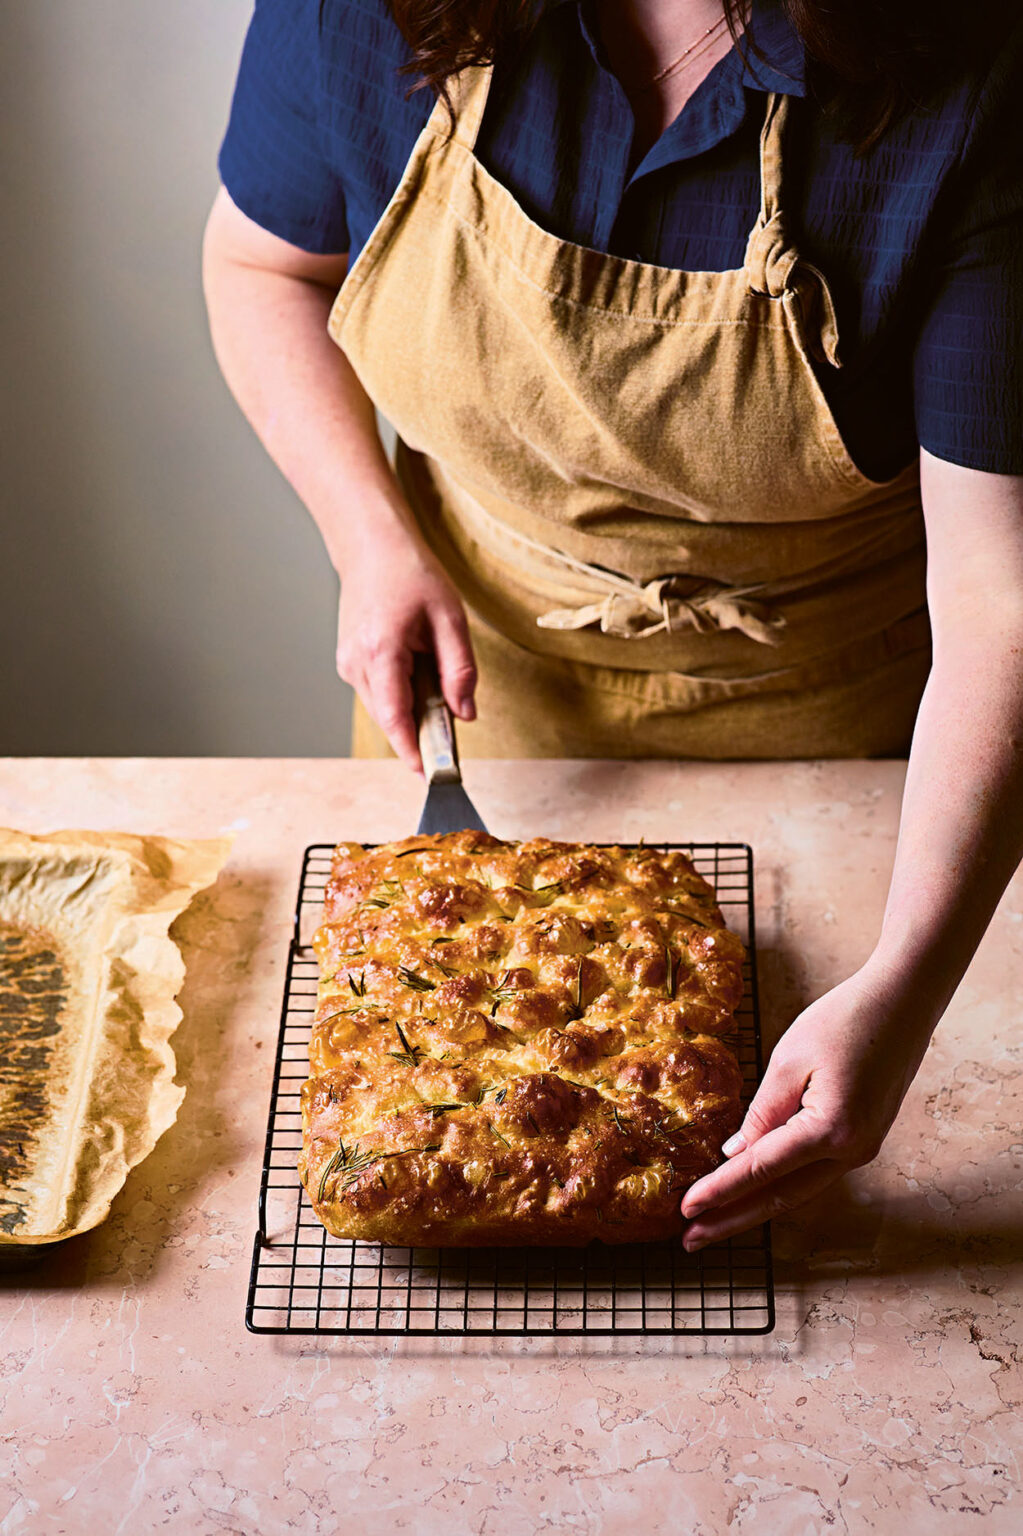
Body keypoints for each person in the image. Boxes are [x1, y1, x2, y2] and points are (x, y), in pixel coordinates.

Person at [203, 0, 1023, 1249]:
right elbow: (263, 268)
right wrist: (368, 537)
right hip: (479, 703)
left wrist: (904, 987)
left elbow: (998, 606)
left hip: (860, 759)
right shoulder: (365, 13)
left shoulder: (974, 80)